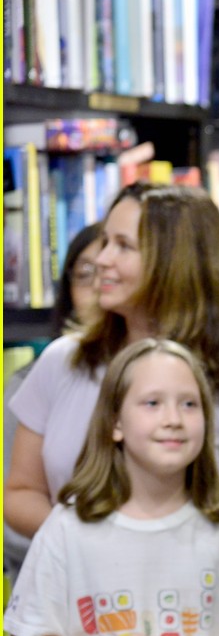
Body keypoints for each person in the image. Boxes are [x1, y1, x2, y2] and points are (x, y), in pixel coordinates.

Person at [5, 183, 219, 636]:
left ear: (175, 261)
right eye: (104, 241)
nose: (100, 259)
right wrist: (107, 531)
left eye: (123, 245)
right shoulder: (64, 362)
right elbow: (19, 492)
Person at [5, 222, 104, 576]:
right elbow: (13, 505)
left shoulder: (164, 373)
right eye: (85, 274)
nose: (99, 285)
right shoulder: (36, 378)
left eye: (107, 270)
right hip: (52, 574)